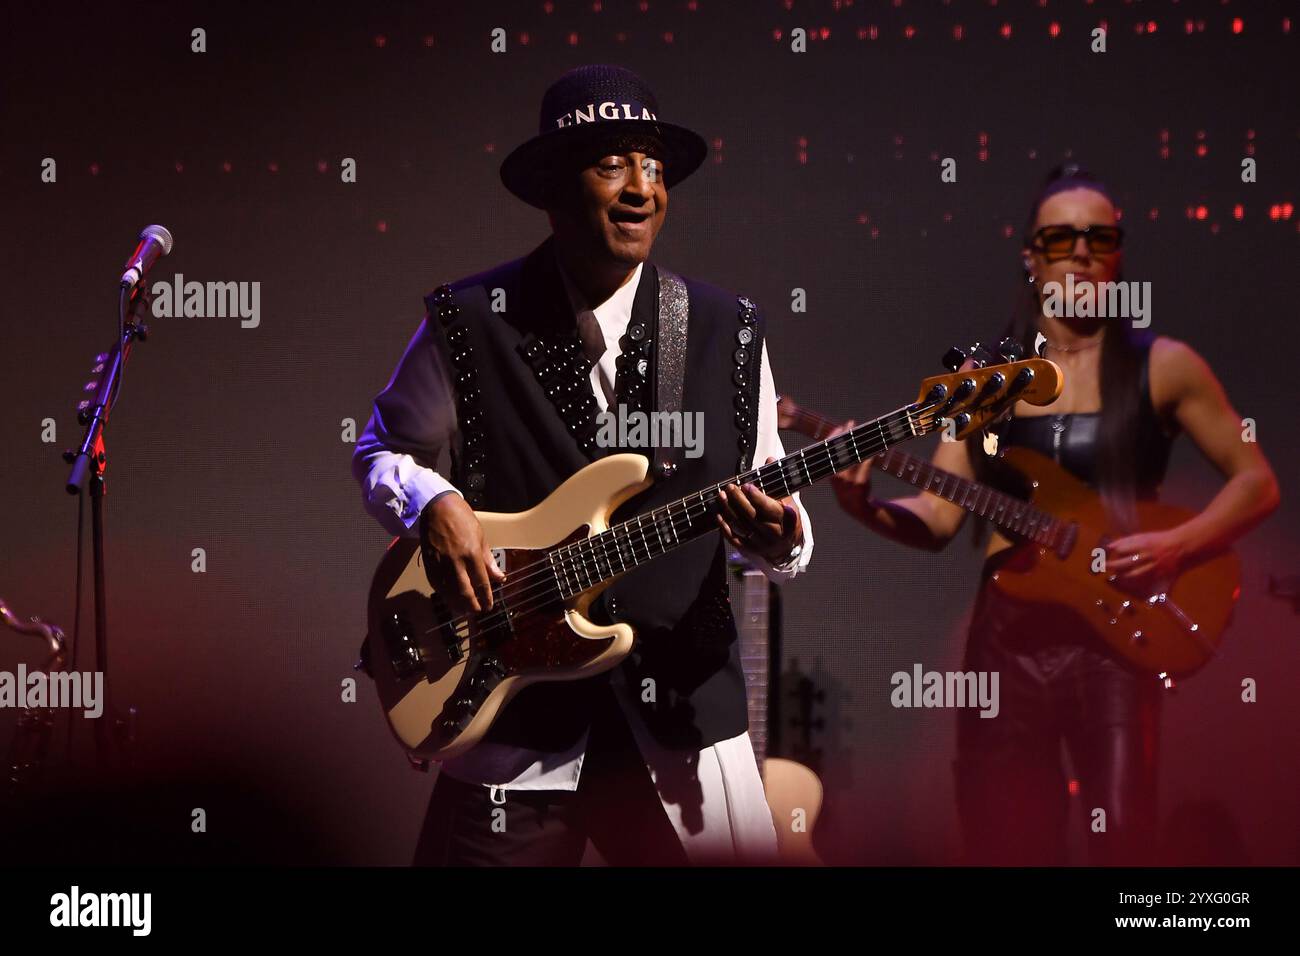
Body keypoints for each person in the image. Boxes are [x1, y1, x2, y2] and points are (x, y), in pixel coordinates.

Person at [352, 64, 812, 865]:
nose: (642, 189)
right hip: (515, 726)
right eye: (612, 165)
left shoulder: (725, 329)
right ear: (554, 191)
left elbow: (772, 502)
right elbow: (383, 446)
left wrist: (778, 536)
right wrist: (432, 503)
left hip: (684, 726)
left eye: (654, 168)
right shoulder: (470, 320)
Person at [829, 164, 1278, 865]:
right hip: (1007, 644)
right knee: (1004, 840)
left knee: (1123, 844)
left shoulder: (1166, 366)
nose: (1080, 253)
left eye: (1099, 238)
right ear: (1031, 256)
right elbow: (941, 518)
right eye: (1061, 238)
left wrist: (1177, 547)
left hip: (1116, 643)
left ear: (1120, 253)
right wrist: (862, 506)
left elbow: (1256, 482)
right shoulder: (983, 379)